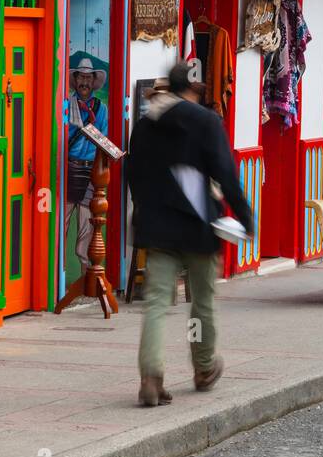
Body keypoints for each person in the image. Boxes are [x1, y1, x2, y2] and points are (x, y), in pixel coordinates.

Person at [128, 62, 255, 408]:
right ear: (194, 89)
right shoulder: (206, 122)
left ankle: (151, 378)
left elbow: (133, 174)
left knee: (155, 303)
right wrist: (244, 217)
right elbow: (226, 174)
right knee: (201, 302)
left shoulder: (144, 126)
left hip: (157, 228)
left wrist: (144, 213)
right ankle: (202, 368)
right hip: (198, 227)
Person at [64, 58, 109, 270]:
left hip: (90, 169)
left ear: (93, 82)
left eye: (88, 78)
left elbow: (104, 139)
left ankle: (83, 276)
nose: (84, 82)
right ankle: (59, 275)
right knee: (62, 222)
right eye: (81, 77)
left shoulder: (101, 109)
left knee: (86, 225)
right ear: (75, 80)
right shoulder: (66, 106)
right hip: (69, 168)